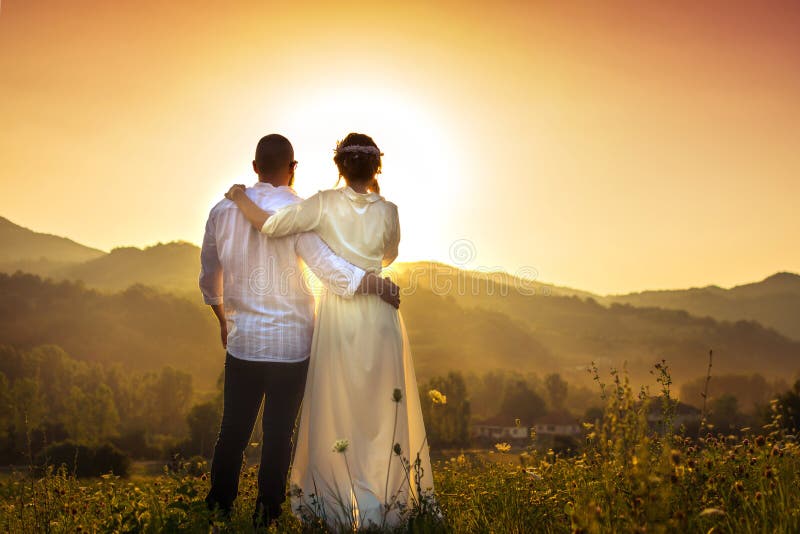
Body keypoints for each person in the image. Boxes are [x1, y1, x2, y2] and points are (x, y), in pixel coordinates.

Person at [225, 132, 434, 530]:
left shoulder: (320, 203)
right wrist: (373, 195)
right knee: (379, 412)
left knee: (337, 409)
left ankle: (334, 506)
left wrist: (239, 197)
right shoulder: (389, 210)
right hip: (380, 315)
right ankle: (384, 507)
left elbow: (269, 226)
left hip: (340, 315)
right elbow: (388, 256)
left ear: (338, 166)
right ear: (376, 168)